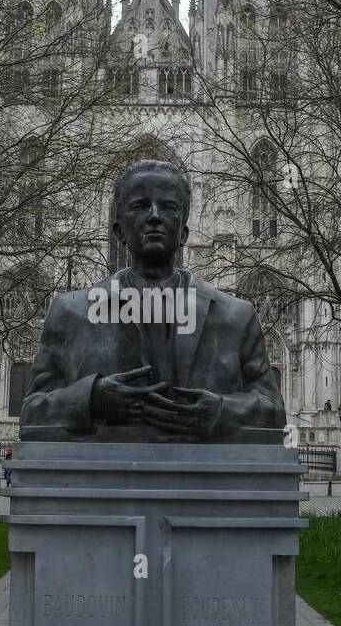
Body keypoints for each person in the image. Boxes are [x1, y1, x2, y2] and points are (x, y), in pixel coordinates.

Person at [20, 159, 284, 441]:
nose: (155, 216)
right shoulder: (70, 312)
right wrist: (90, 398)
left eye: (169, 207)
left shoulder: (236, 317)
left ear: (184, 232)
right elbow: (31, 414)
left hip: (200, 477)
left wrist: (220, 412)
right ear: (119, 231)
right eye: (140, 206)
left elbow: (273, 413)